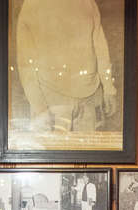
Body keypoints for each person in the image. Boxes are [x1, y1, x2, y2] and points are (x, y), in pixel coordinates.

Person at [14, 0, 117, 135]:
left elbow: (100, 48)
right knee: (55, 155)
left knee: (88, 155)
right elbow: (26, 63)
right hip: (52, 102)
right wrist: (39, 107)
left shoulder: (88, 3)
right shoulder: (32, 5)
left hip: (88, 100)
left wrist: (109, 89)